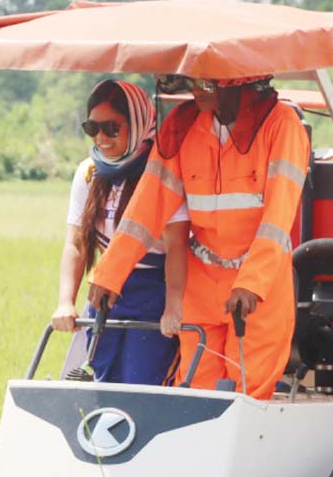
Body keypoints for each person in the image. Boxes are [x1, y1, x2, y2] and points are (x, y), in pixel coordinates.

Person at [87, 75, 310, 399]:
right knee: (194, 392)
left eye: (206, 85)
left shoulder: (282, 124)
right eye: (193, 82)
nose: (195, 93)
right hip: (202, 281)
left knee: (248, 393)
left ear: (238, 83)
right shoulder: (183, 125)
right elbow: (148, 205)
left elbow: (278, 217)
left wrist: (251, 283)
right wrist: (110, 273)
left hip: (258, 289)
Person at [51, 79, 188, 385]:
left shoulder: (162, 172)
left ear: (138, 125)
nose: (101, 137)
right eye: (92, 128)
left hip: (155, 289)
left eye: (111, 128)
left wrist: (173, 306)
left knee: (142, 382)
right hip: (105, 293)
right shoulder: (88, 173)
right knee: (103, 379)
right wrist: (65, 302)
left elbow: (177, 245)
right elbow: (76, 244)